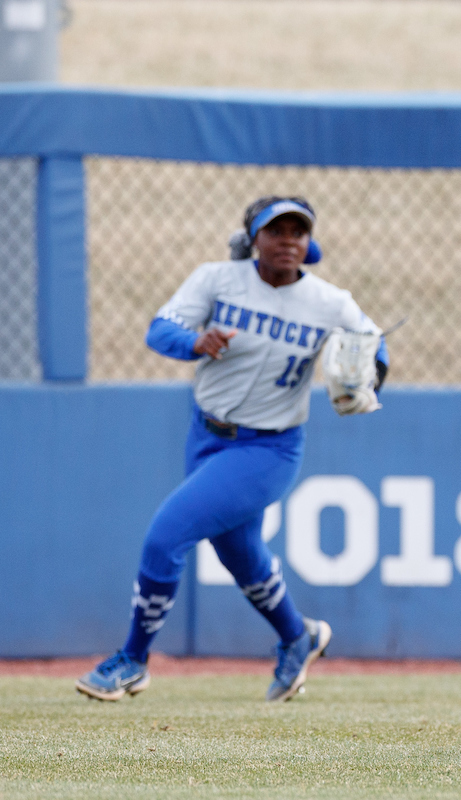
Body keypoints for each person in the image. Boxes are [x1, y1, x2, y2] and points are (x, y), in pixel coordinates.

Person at [75, 196, 388, 703]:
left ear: (309, 243)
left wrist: (370, 374)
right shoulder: (217, 279)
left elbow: (375, 346)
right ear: (253, 239)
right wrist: (196, 342)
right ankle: (298, 636)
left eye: (298, 231)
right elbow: (160, 330)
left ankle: (133, 660)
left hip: (269, 449)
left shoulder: (331, 301)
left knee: (164, 538)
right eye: (276, 230)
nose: (288, 240)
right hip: (206, 436)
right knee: (242, 556)